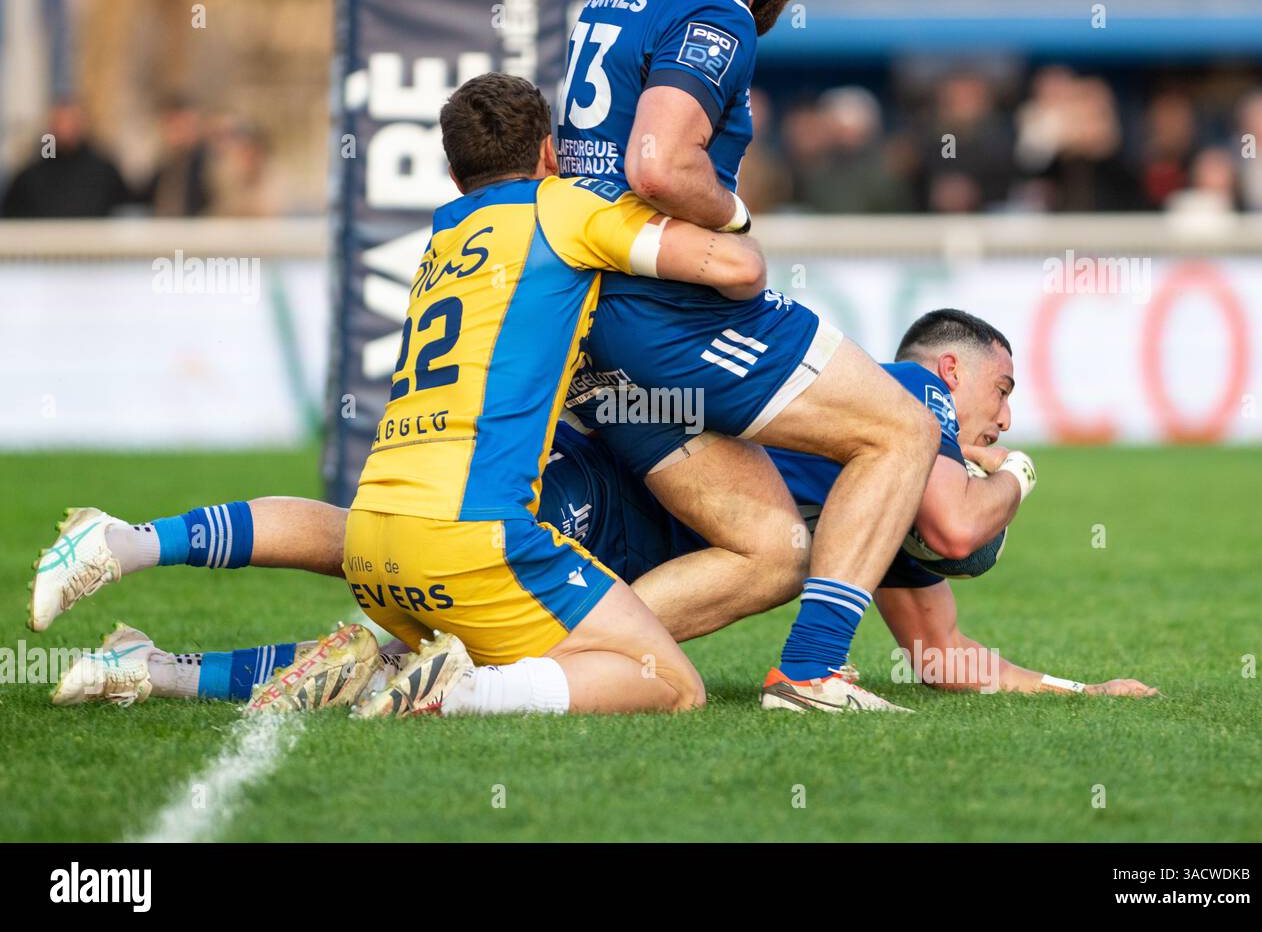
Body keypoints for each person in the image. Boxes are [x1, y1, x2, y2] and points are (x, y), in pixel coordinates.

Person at [35, 71, 773, 720]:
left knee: (375, 661)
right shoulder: (567, 208)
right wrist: (721, 209)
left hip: (374, 533)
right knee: (670, 683)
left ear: (455, 179)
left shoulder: (445, 234)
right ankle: (464, 694)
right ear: (549, 153)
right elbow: (736, 268)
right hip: (473, 535)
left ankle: (146, 619)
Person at [42, 309, 1156, 709]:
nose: (1008, 415)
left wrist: (1077, 689)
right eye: (1002, 391)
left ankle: (152, 664)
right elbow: (966, 522)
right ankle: (135, 553)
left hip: (617, 533)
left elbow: (942, 654)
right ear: (952, 372)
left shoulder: (886, 520)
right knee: (387, 574)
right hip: (604, 499)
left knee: (402, 630)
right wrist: (1020, 479)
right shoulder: (912, 401)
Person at [558, 0, 941, 712]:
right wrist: (732, 217)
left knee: (772, 556)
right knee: (901, 429)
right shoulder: (713, 4)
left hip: (601, 310)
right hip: (670, 311)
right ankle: (812, 673)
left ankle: (517, 660)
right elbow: (657, 163)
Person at [0, 101, 133, 218]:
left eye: (71, 121)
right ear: (51, 126)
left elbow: (125, 210)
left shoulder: (104, 172)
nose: (66, 128)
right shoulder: (30, 176)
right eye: (60, 122)